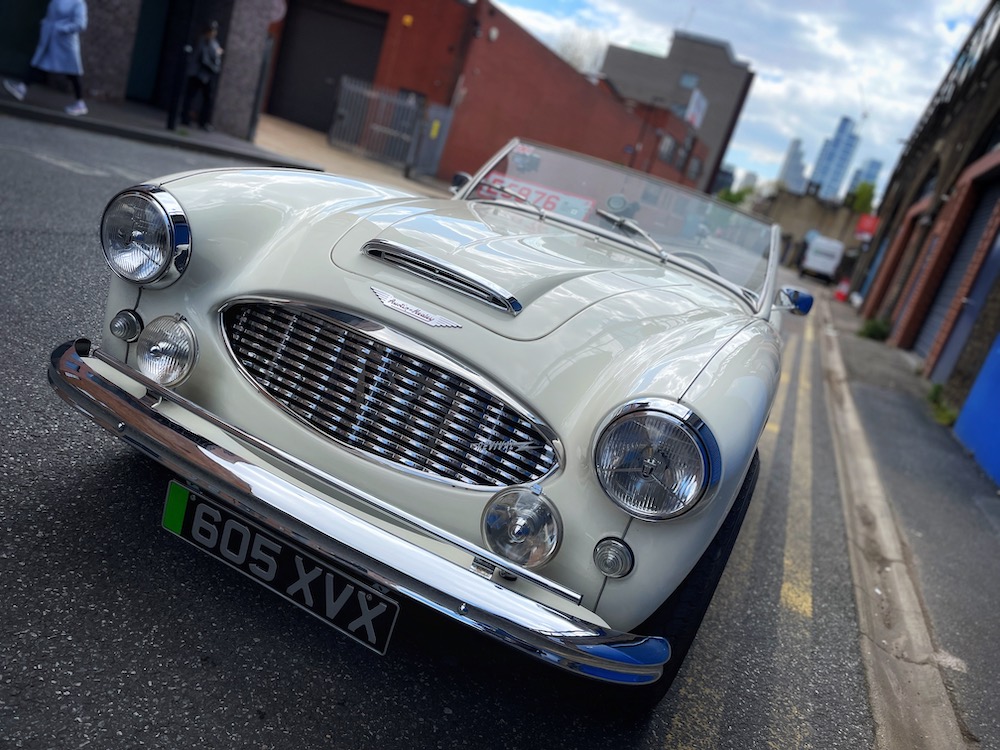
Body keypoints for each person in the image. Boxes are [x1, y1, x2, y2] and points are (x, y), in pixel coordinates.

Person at [3, 0, 89, 117]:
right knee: (40, 63)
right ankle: (22, 87)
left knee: (73, 73)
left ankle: (80, 103)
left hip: (65, 45)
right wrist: (46, 24)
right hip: (50, 39)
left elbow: (81, 24)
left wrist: (61, 29)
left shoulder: (78, 3)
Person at [181, 21, 224, 131]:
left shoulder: (214, 43)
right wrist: (214, 68)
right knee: (191, 96)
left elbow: (217, 56)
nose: (212, 33)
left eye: (214, 31)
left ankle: (203, 121)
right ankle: (185, 118)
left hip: (207, 75)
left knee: (207, 99)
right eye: (211, 31)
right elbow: (203, 59)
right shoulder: (202, 41)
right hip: (198, 73)